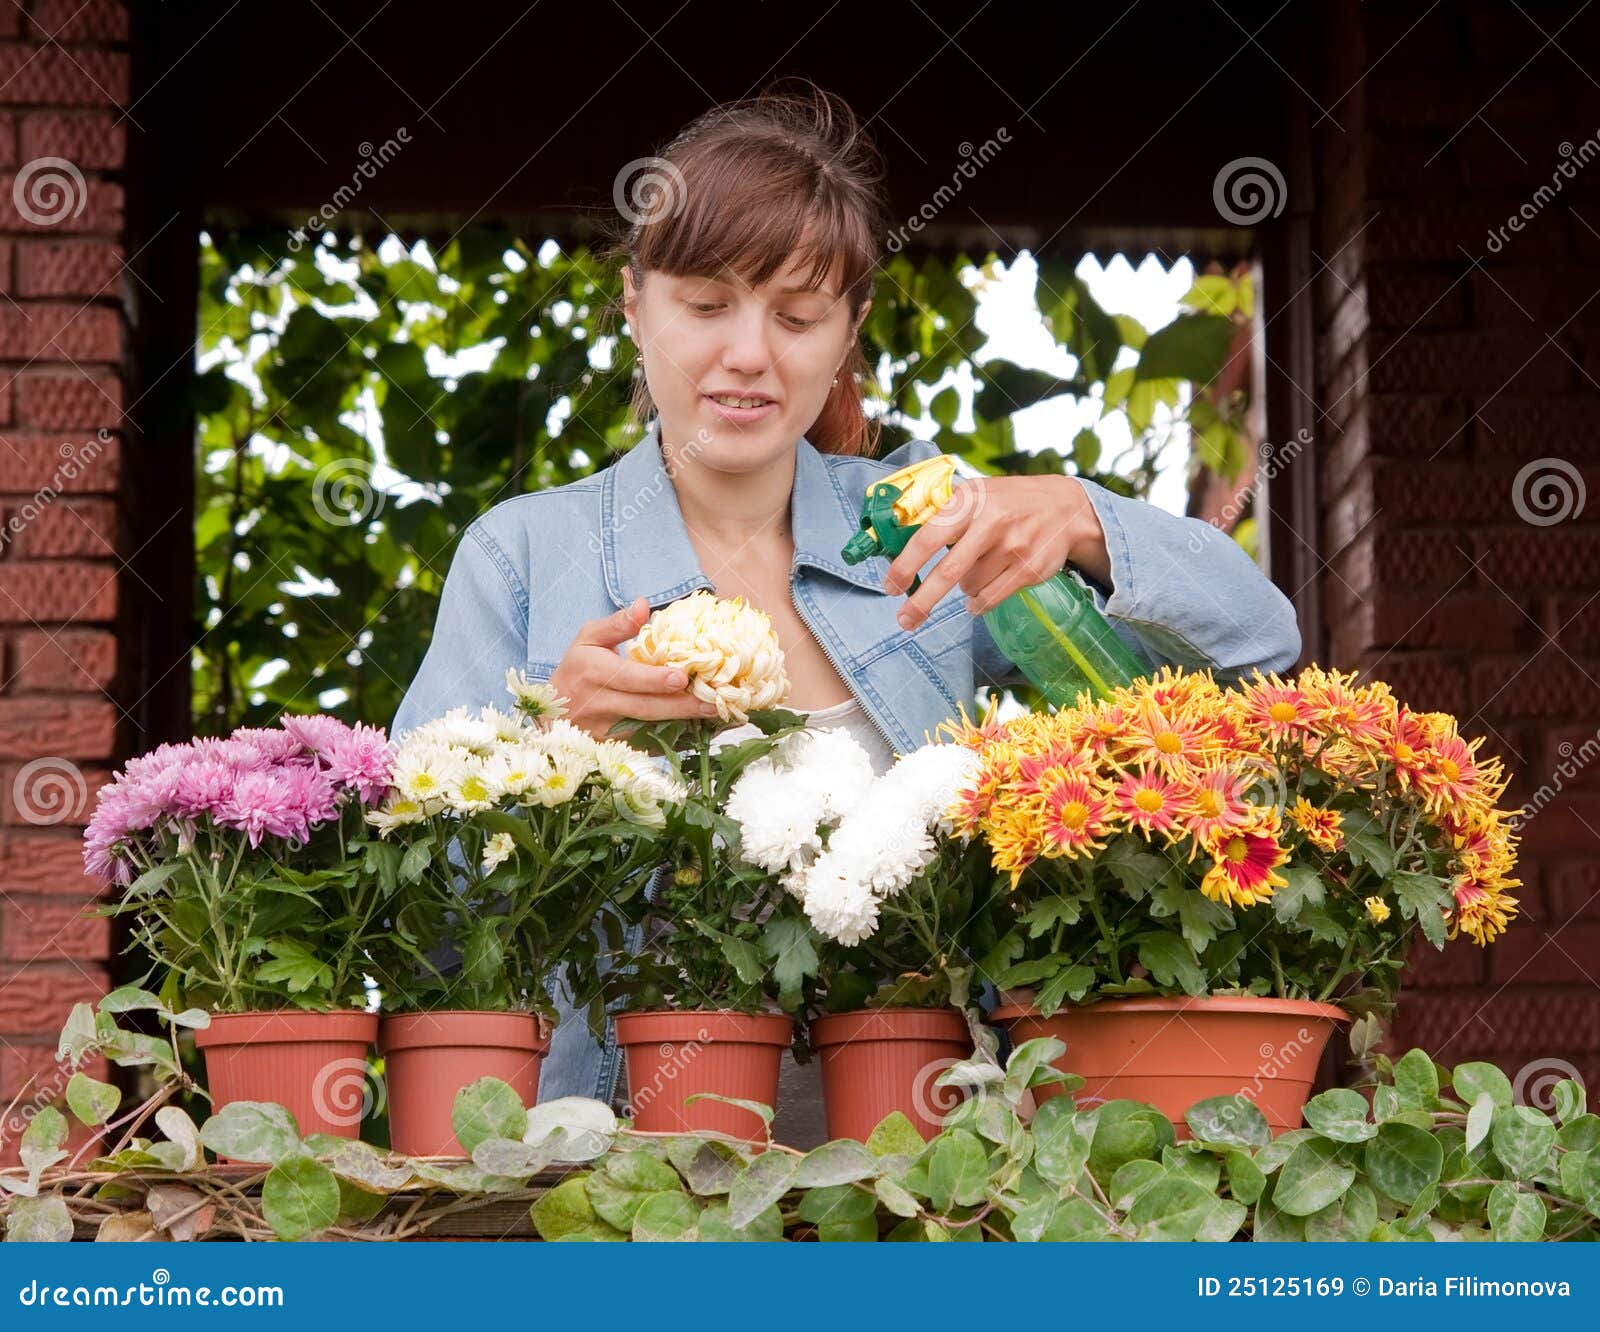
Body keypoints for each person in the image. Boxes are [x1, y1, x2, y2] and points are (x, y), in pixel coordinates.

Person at [391, 84, 1301, 1143]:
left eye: (795, 315)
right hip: (621, 1183)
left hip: (932, 1179)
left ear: (847, 330)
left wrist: (1086, 516)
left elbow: (1255, 660)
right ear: (635, 307)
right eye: (705, 304)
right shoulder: (522, 557)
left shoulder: (930, 534)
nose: (748, 353)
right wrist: (549, 757)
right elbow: (418, 933)